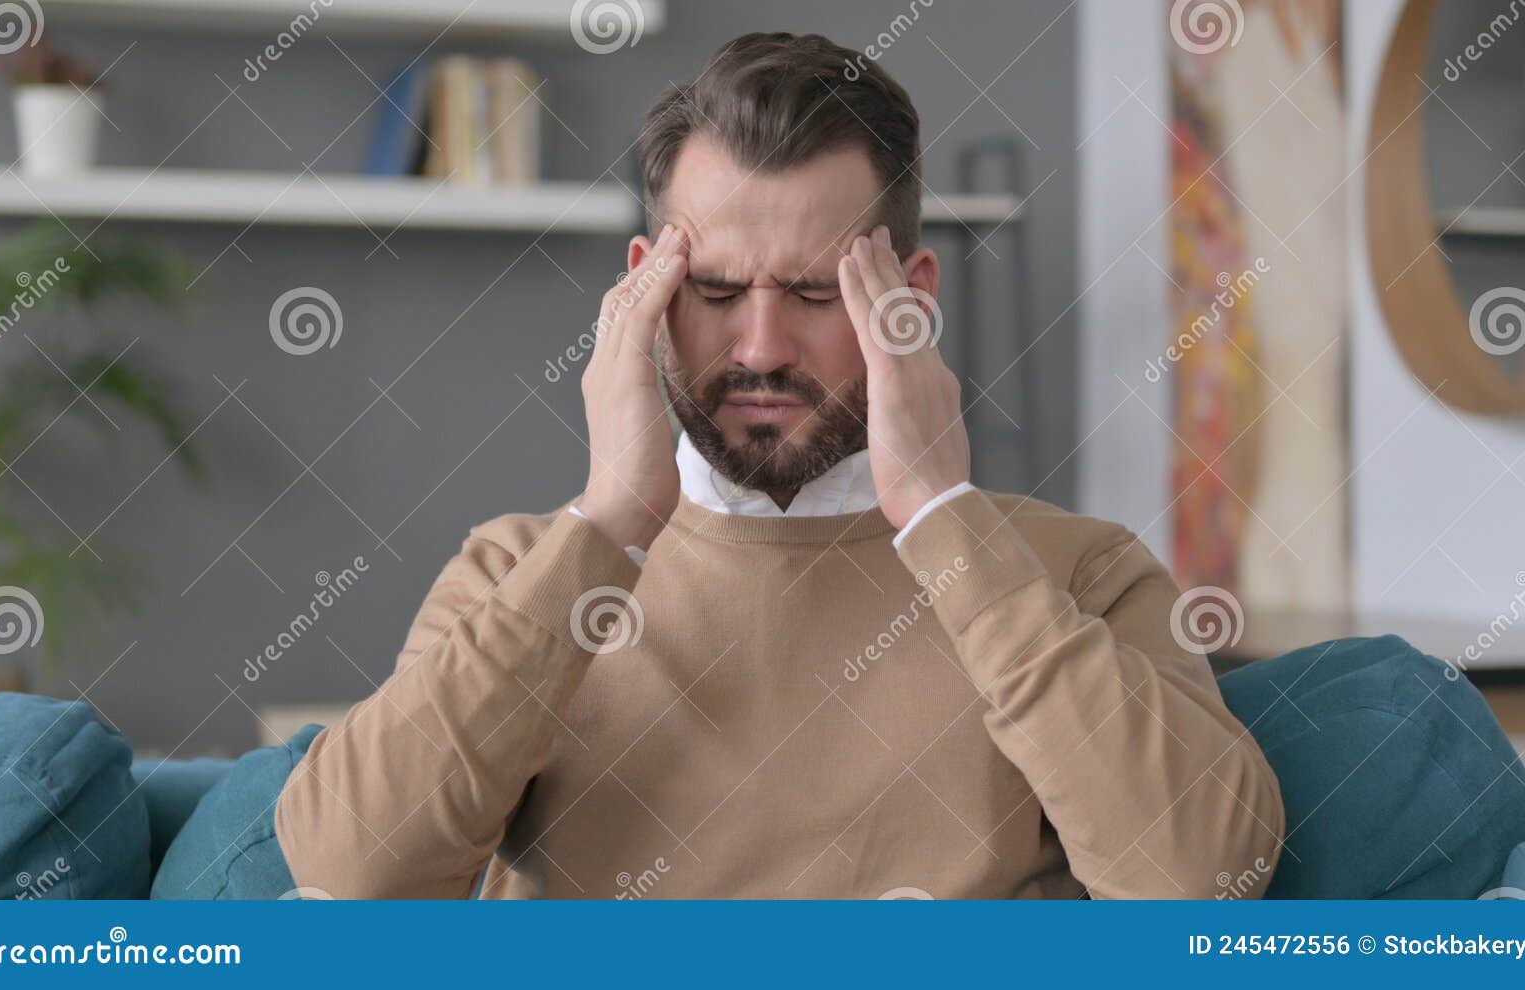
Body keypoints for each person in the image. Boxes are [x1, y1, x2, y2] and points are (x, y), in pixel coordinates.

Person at [275, 31, 1283, 899]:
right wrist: (611, 522)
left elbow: (1199, 884)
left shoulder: (1077, 573)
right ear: (644, 294)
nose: (759, 348)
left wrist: (945, 519)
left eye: (812, 293)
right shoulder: (521, 572)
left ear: (909, 297)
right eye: (715, 291)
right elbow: (343, 880)